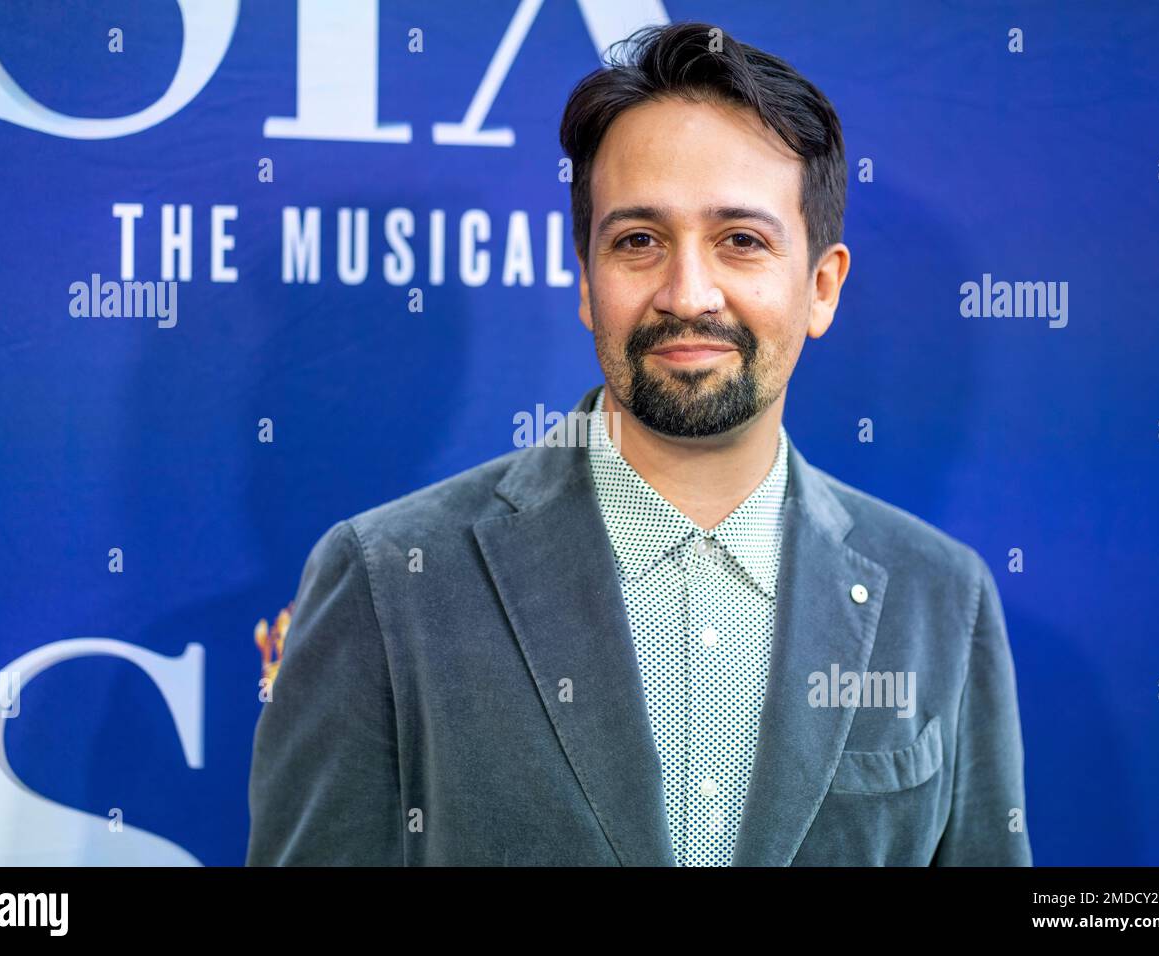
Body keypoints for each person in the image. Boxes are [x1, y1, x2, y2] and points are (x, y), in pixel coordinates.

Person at [246, 21, 1032, 867]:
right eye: (638, 241)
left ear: (821, 287)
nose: (687, 293)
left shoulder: (942, 599)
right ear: (587, 283)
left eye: (741, 240)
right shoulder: (388, 578)